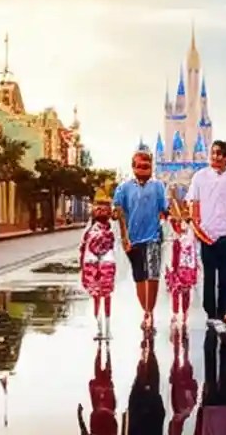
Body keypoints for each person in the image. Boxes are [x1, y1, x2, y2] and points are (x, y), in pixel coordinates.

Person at [184, 140, 226, 332]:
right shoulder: (200, 177)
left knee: (225, 274)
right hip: (206, 232)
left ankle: (225, 310)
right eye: (213, 153)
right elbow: (193, 203)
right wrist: (196, 226)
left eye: (220, 154)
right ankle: (211, 313)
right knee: (209, 275)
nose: (216, 157)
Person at [114, 151, 170, 333]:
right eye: (139, 166)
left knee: (152, 276)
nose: (143, 170)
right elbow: (119, 213)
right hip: (133, 239)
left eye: (147, 167)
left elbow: (164, 210)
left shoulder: (158, 187)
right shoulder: (123, 188)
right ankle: (145, 310)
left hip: (153, 237)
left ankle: (150, 313)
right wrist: (124, 237)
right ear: (133, 167)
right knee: (140, 277)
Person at [79, 186, 118, 340]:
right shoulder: (90, 230)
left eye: (105, 208)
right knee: (98, 296)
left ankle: (106, 329)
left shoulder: (109, 229)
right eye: (98, 207)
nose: (101, 210)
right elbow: (83, 247)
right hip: (93, 262)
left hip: (104, 262)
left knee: (104, 295)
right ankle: (100, 328)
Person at [164, 194, 199, 330]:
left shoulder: (191, 230)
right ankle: (175, 313)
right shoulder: (173, 228)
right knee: (175, 291)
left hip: (187, 265)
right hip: (176, 264)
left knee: (185, 291)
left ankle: (184, 314)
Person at [197, 329, 226, 435]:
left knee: (225, 375)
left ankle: (224, 343)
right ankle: (211, 337)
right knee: (210, 373)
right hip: (211, 412)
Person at [126, 336, 165, 435]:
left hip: (144, 407)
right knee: (147, 377)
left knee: (146, 377)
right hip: (145, 406)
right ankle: (148, 348)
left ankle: (148, 349)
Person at [76, 341, 118, 435]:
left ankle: (104, 349)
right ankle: (104, 349)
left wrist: (80, 415)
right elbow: (84, 431)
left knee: (103, 382)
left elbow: (84, 431)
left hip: (103, 412)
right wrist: (79, 415)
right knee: (103, 382)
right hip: (105, 412)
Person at [167, 329, 197, 435]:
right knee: (182, 362)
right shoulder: (183, 413)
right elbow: (191, 404)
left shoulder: (178, 411)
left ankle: (179, 342)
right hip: (183, 389)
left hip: (181, 389)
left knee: (179, 362)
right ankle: (181, 343)